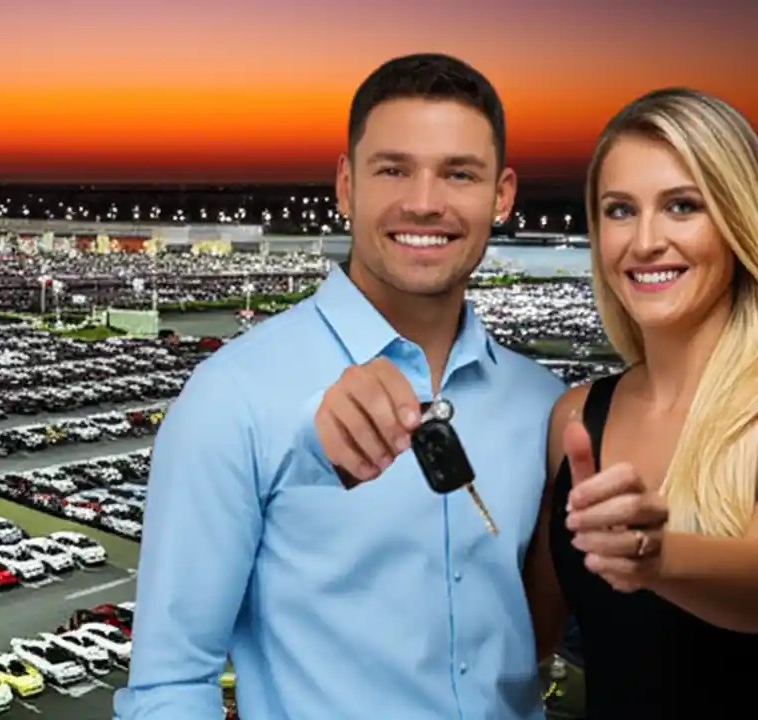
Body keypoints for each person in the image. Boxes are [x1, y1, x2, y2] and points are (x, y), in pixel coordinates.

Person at [113, 53, 566, 720]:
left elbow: (525, 644)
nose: (424, 202)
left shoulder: (542, 403)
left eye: (458, 174)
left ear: (501, 196)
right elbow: (170, 687)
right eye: (393, 169)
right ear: (346, 186)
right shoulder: (231, 398)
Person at [535, 87, 758, 718]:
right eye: (620, 211)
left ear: (738, 217)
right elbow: (521, 636)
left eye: (683, 206)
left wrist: (657, 558)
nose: (645, 242)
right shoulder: (576, 418)